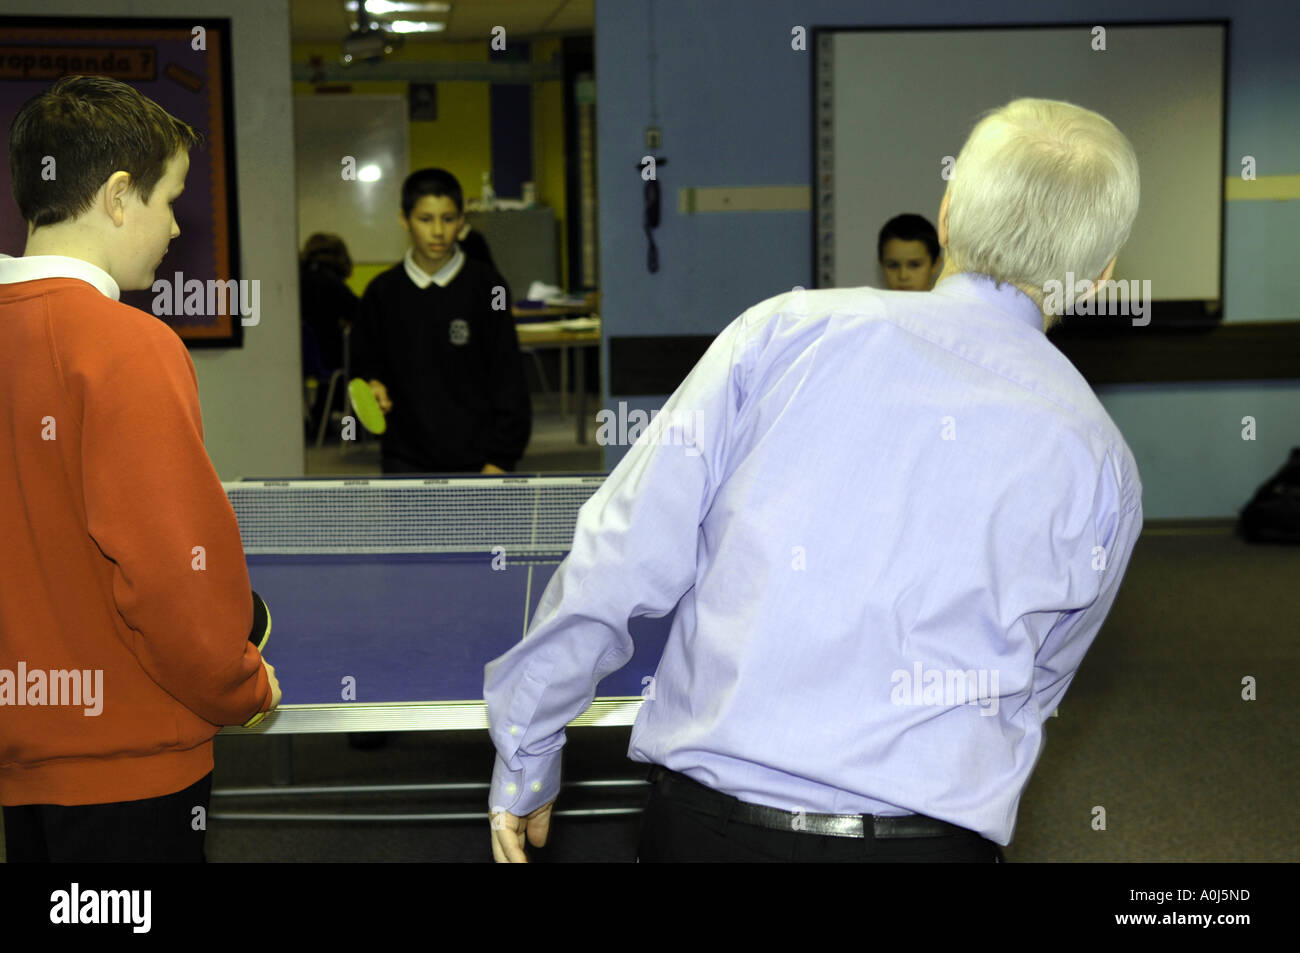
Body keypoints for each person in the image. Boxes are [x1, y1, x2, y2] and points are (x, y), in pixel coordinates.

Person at [485, 97, 1145, 863]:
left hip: (709, 833)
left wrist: (527, 751)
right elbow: (1037, 684)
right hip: (928, 846)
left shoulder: (780, 334)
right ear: (1100, 277)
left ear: (947, 211)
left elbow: (619, 556)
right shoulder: (1103, 463)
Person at [0, 76, 281, 862]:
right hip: (129, 779)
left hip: (22, 768)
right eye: (171, 198)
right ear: (119, 196)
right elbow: (169, 578)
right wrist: (244, 685)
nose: (175, 224)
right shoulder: (130, 346)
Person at [351, 168, 531, 475]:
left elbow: (509, 377)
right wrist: (373, 384)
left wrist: (501, 457)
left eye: (447, 219)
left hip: (479, 462)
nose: (437, 231)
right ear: (404, 220)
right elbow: (364, 365)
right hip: (403, 460)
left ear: (461, 222)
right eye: (425, 219)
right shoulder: (381, 292)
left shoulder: (489, 286)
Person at [299, 233, 359, 433]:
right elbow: (360, 313)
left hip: (301, 359)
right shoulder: (331, 282)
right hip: (330, 357)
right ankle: (353, 429)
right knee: (358, 363)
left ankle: (319, 419)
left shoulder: (297, 278)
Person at [878, 213, 942, 291]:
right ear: (881, 265)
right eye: (893, 265)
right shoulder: (866, 302)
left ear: (935, 265)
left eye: (914, 265)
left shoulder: (953, 303)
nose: (903, 276)